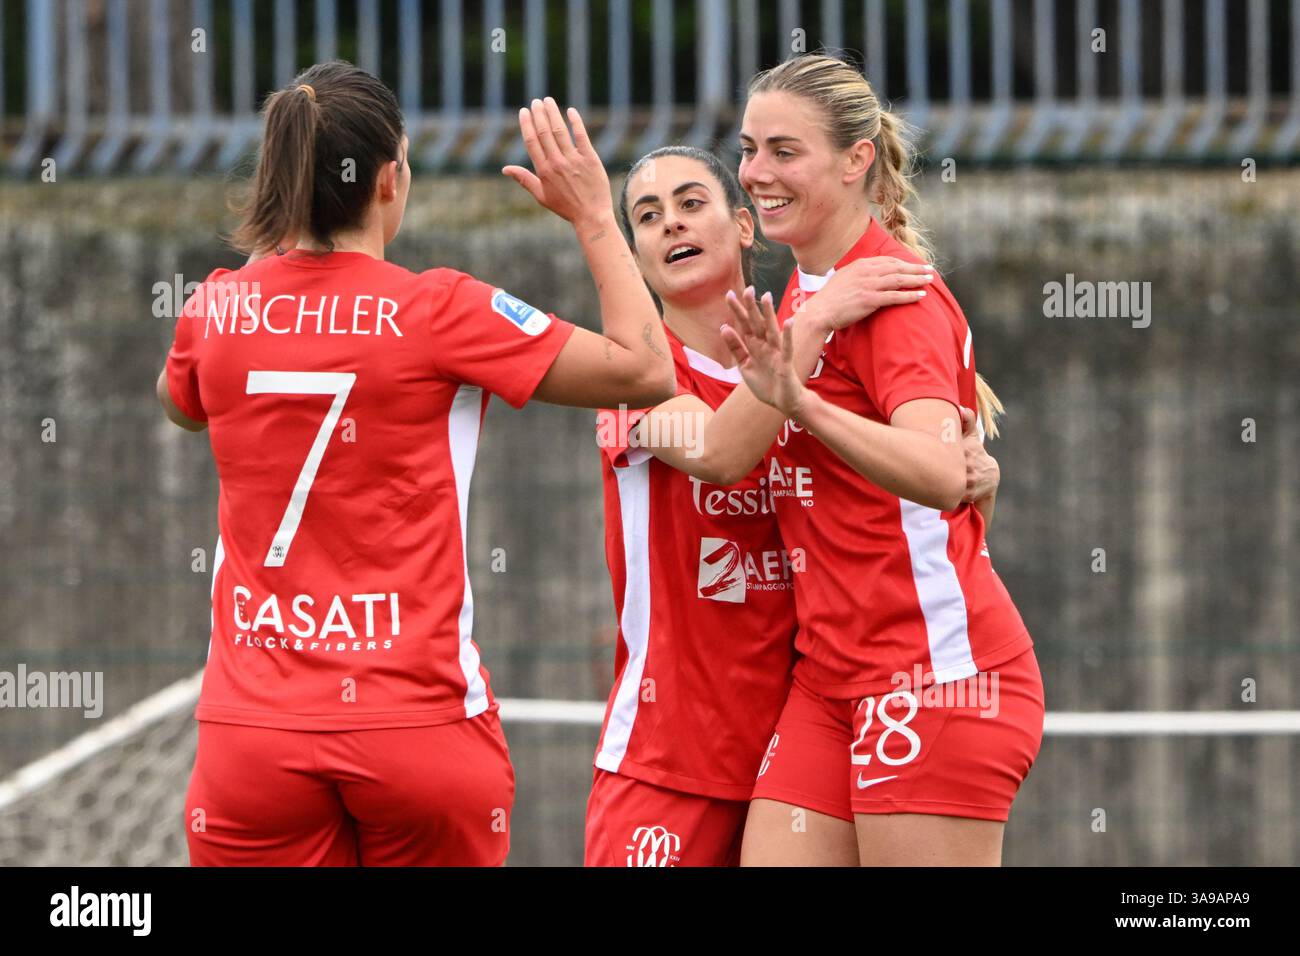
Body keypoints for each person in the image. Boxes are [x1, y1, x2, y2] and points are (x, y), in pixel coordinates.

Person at [155, 60, 674, 866]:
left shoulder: (220, 304)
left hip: (253, 741)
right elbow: (646, 370)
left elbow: (177, 402)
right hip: (418, 731)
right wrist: (594, 219)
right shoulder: (439, 308)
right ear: (390, 179)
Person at [583, 145, 1001, 866]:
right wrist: (812, 316)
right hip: (672, 761)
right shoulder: (638, 377)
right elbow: (717, 451)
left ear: (745, 227)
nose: (670, 226)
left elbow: (897, 543)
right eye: (646, 218)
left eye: (690, 203)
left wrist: (974, 489)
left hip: (812, 747)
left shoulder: (831, 354)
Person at [722, 53, 1044, 866]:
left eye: (783, 152)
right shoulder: (810, 293)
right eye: (748, 149)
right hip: (829, 682)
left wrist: (803, 402)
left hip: (932, 681)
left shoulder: (892, 296)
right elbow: (725, 453)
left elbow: (940, 478)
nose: (755, 173)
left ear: (856, 158)